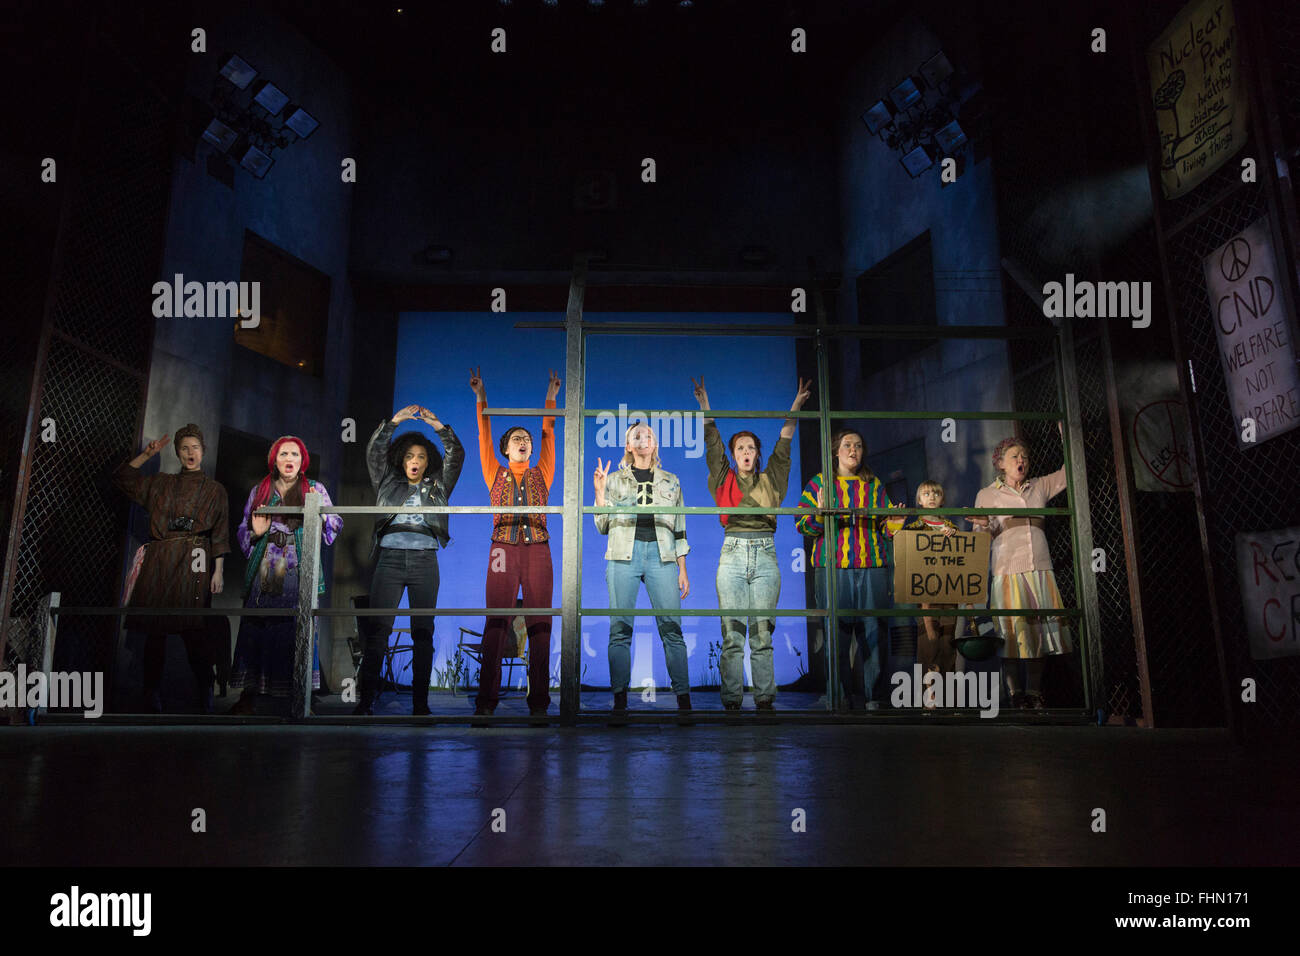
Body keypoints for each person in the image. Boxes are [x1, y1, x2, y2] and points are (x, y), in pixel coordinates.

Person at [692, 375, 811, 711]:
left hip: (765, 554)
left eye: (751, 447)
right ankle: (731, 700)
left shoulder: (771, 478)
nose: (745, 451)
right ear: (733, 454)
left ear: (757, 454)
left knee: (762, 635)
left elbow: (785, 442)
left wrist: (796, 405)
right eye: (739, 447)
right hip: (731, 553)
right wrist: (705, 405)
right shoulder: (722, 477)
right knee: (732, 636)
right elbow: (712, 442)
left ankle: (764, 699)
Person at [355, 404, 463, 715]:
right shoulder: (387, 482)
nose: (414, 462)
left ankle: (420, 703)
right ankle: (365, 701)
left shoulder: (438, 485)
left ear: (428, 462)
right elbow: (374, 452)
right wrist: (395, 422)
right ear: (401, 460)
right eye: (409, 457)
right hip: (389, 559)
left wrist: (439, 426)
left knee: (423, 631)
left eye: (421, 457)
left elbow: (456, 456)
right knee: (378, 630)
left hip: (424, 561)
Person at [113, 425, 229, 713]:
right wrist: (146, 455)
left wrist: (218, 570)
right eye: (184, 448)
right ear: (177, 452)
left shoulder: (215, 490)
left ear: (203, 450)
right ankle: (151, 694)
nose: (190, 453)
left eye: (195, 447)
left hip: (195, 559)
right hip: (161, 557)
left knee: (195, 631)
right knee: (155, 633)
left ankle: (205, 691)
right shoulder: (161, 483)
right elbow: (122, 478)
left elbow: (220, 533)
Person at [469, 367, 560, 717]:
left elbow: (549, 434)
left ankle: (538, 703)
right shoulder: (494, 470)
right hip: (502, 550)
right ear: (506, 448)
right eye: (517, 439)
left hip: (538, 549)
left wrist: (551, 395)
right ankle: (486, 703)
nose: (524, 442)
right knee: (497, 622)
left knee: (540, 623)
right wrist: (481, 397)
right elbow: (483, 433)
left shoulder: (542, 472)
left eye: (527, 439)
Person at [228, 436, 342, 713]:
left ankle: (301, 695)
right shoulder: (261, 491)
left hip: (298, 566)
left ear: (303, 461)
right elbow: (243, 528)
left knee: (298, 627)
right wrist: (255, 534)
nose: (289, 459)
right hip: (267, 565)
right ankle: (250, 693)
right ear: (274, 461)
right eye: (283, 454)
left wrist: (321, 516)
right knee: (259, 626)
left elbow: (335, 523)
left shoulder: (314, 489)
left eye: (294, 454)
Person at [795, 430, 902, 710]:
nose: (853, 450)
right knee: (836, 632)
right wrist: (819, 513)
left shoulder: (874, 484)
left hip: (872, 565)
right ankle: (837, 696)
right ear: (836, 451)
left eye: (858, 445)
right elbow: (802, 525)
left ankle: (873, 697)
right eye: (847, 445)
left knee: (874, 632)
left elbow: (886, 527)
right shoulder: (820, 483)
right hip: (833, 567)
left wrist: (896, 522)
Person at [967, 429, 1071, 709]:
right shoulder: (987, 494)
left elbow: (1069, 471)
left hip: (1039, 568)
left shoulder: (1039, 486)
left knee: (1039, 635)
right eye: (1014, 456)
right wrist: (984, 524)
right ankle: (1015, 695)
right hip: (1007, 570)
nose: (1021, 459)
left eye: (1024, 455)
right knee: (1010, 636)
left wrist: (1066, 436)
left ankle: (1034, 693)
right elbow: (980, 538)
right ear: (1000, 463)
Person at [592, 422, 692, 714]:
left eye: (648, 434)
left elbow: (680, 528)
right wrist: (599, 492)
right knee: (620, 629)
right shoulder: (613, 479)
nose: (643, 438)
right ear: (628, 445)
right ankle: (620, 701)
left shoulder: (671, 481)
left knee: (672, 629)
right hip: (624, 555)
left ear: (655, 444)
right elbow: (601, 525)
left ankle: (684, 701)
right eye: (636, 435)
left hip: (663, 557)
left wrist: (682, 568)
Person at [902, 480, 959, 707]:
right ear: (919, 500)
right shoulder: (915, 528)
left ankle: (947, 694)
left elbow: (961, 558)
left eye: (936, 493)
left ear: (942, 498)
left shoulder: (950, 526)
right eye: (926, 493)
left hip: (948, 591)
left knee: (948, 641)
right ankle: (930, 694)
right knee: (928, 642)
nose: (932, 496)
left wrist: (953, 536)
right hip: (926, 595)